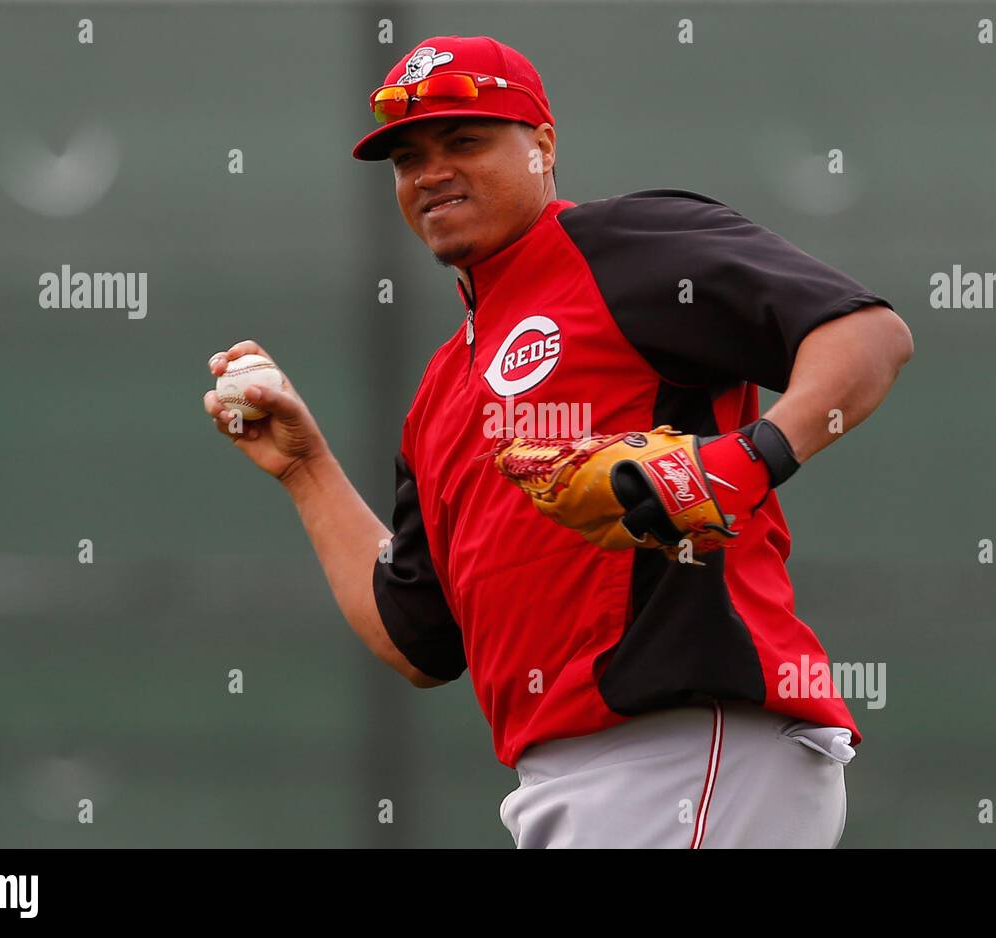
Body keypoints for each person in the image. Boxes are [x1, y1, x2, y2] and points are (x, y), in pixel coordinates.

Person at [203, 34, 913, 848]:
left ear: (542, 144)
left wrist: (749, 459)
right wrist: (305, 468)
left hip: (691, 748)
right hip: (565, 779)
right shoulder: (440, 395)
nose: (430, 171)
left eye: (464, 140)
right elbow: (416, 639)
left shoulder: (626, 248)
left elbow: (866, 336)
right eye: (407, 156)